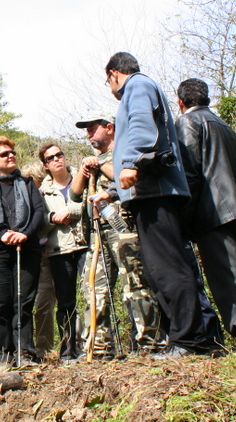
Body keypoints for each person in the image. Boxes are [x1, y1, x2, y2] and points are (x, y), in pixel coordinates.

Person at [97, 52, 210, 358]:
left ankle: (190, 340)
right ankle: (183, 338)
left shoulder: (137, 85)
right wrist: (114, 190)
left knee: (169, 268)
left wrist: (132, 162)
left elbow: (142, 125)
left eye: (107, 80)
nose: (110, 85)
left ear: (113, 73)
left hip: (157, 192)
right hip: (148, 194)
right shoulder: (139, 87)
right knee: (160, 270)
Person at [175, 78, 236, 356]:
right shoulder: (223, 125)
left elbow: (190, 173)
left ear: (181, 101)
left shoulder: (187, 123)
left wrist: (184, 220)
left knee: (226, 275)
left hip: (213, 211)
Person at [70, 114, 165, 358]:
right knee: (94, 288)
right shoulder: (91, 161)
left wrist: (100, 164)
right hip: (97, 233)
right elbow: (74, 194)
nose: (89, 134)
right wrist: (84, 169)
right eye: (87, 130)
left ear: (109, 128)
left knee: (134, 285)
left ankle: (150, 343)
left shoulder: (125, 152)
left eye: (93, 128)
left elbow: (123, 179)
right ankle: (98, 347)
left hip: (123, 229)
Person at [0, 137, 45, 367]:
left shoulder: (27, 183)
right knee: (0, 304)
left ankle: (25, 353)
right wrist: (1, 233)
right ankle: (5, 353)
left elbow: (39, 212)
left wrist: (25, 233)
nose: (11, 156)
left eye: (12, 152)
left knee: (23, 302)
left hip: (26, 248)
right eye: (4, 154)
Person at [38, 143, 88, 363]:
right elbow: (38, 223)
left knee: (93, 296)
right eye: (51, 158)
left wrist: (71, 210)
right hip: (59, 249)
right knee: (66, 302)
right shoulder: (42, 192)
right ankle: (68, 350)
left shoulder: (84, 177)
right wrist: (53, 217)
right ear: (45, 165)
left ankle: (97, 345)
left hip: (87, 245)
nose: (57, 159)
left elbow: (92, 202)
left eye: (60, 154)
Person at [20, 161, 56, 360]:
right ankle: (33, 350)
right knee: (33, 303)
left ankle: (45, 350)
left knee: (46, 304)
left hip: (51, 252)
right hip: (33, 254)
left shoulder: (47, 194)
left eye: (32, 181)